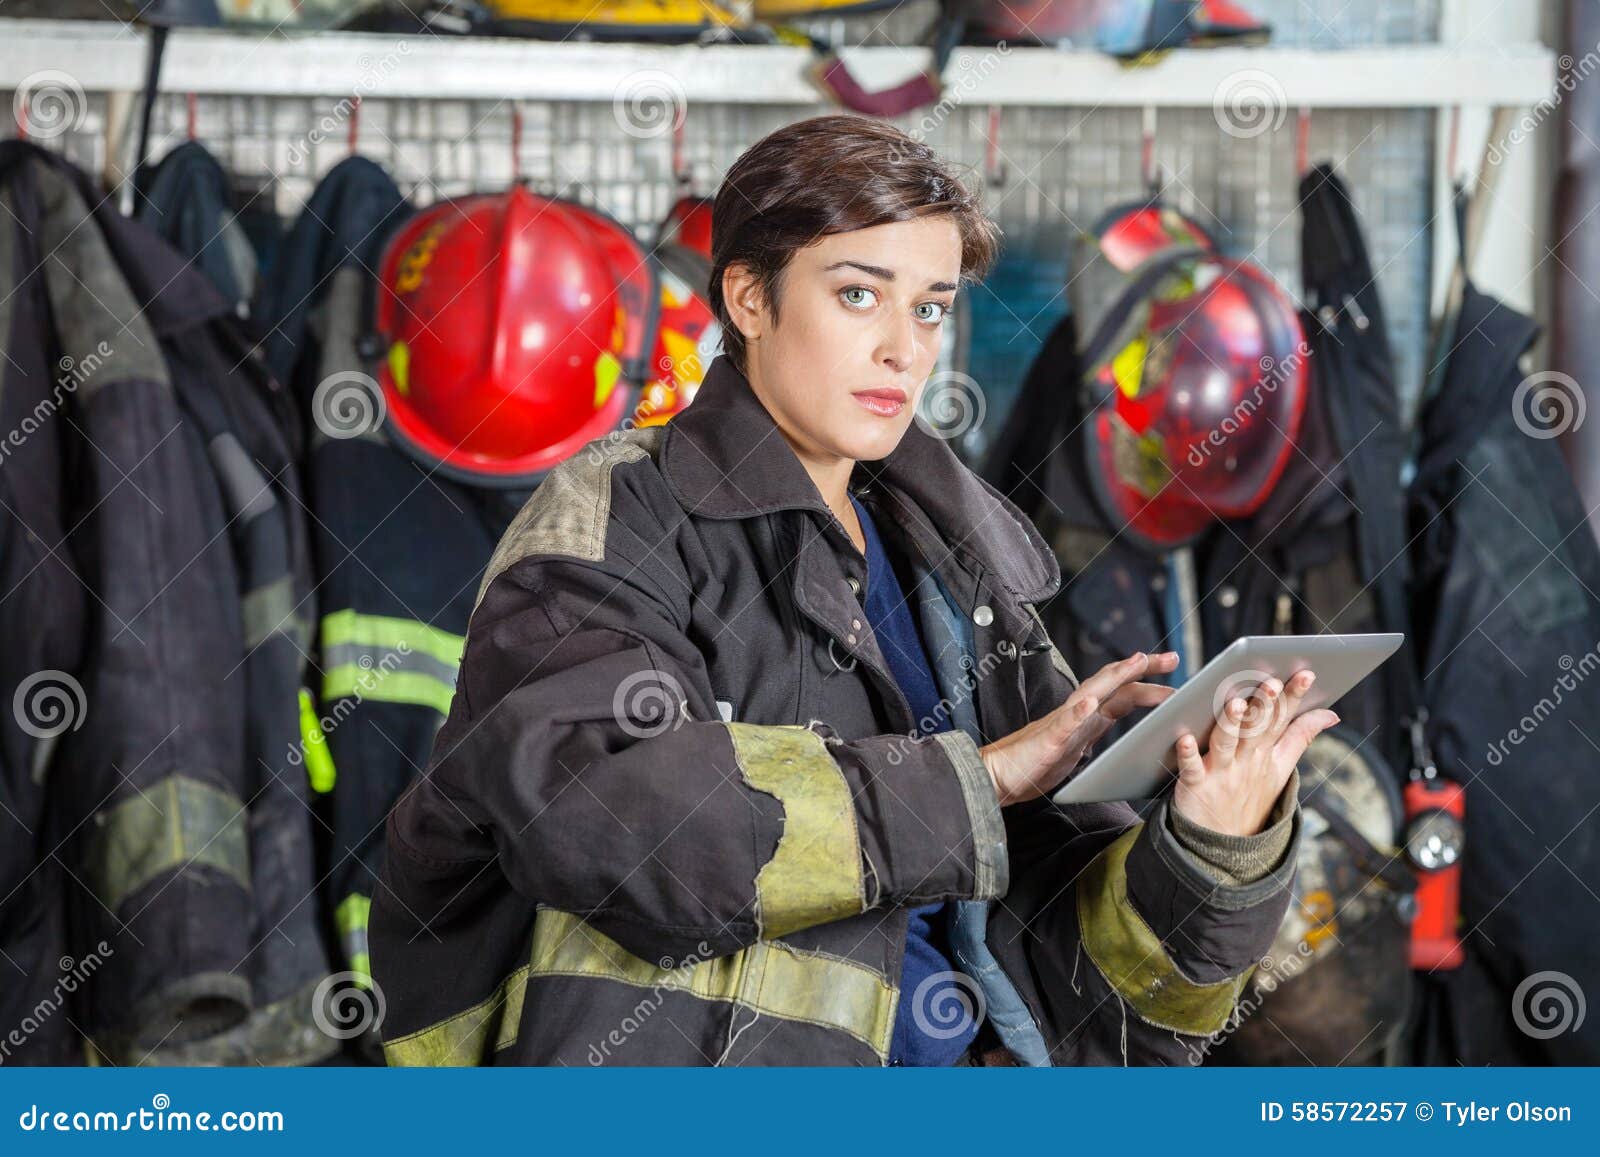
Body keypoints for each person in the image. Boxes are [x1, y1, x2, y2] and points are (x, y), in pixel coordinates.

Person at [369, 114, 1332, 1066]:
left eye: (928, 308)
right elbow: (607, 823)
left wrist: (1214, 844)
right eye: (860, 295)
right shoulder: (618, 517)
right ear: (749, 298)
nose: (904, 349)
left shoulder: (962, 568)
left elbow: (1115, 1014)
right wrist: (983, 781)